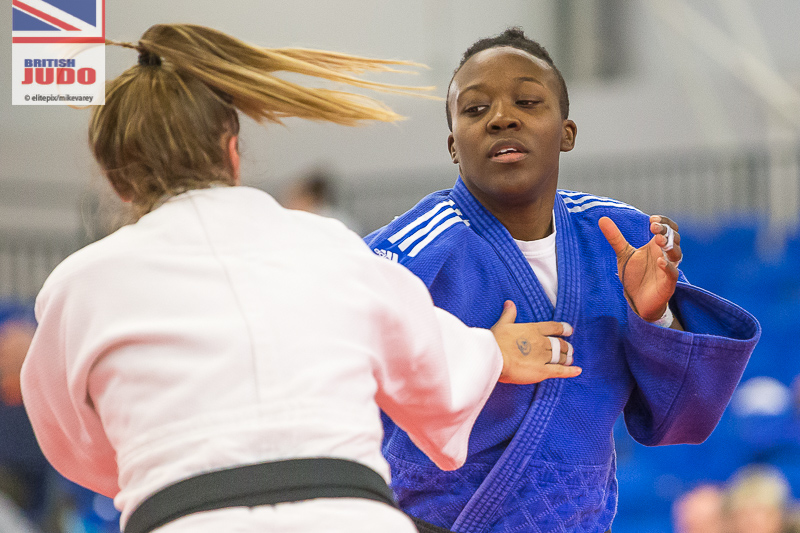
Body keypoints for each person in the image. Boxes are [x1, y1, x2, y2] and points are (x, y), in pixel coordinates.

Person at [19, 24, 583, 533]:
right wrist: (488, 350)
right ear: (232, 150)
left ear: (116, 178)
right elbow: (429, 369)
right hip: (353, 517)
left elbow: (78, 449)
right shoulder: (324, 244)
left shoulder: (79, 286)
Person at [365, 27, 761, 533]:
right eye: (475, 109)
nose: (502, 117)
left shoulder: (617, 237)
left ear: (567, 132)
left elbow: (680, 420)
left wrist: (656, 315)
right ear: (453, 146)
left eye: (527, 101)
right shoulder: (412, 246)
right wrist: (480, 351)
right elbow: (337, 354)